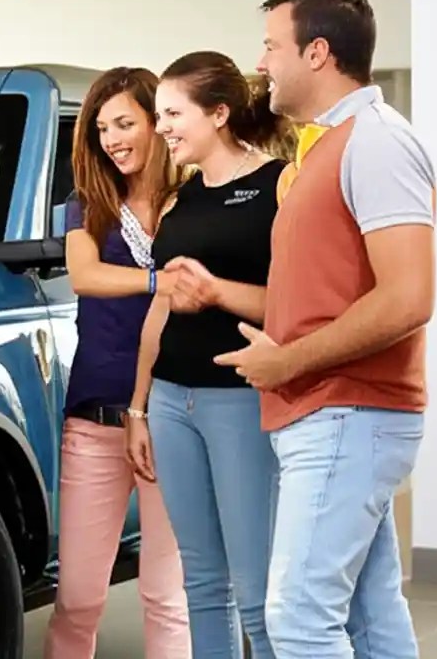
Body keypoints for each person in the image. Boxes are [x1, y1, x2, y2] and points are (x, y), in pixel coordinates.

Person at [213, 0, 435, 659]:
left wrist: (288, 360)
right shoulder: (326, 149)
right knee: (371, 619)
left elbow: (409, 296)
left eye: (271, 47)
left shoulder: (377, 142)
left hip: (348, 413)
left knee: (300, 619)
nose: (261, 64)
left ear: (317, 53)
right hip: (331, 414)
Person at [125, 50, 292, 658]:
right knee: (200, 581)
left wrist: (218, 292)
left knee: (256, 589)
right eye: (159, 114)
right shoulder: (181, 198)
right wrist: (139, 408)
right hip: (172, 402)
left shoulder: (279, 186)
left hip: (241, 402)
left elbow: (298, 306)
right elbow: (160, 310)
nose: (161, 127)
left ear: (218, 114)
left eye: (173, 114)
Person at [43, 67, 191, 659]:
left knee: (168, 597)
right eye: (102, 129)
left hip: (175, 417)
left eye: (125, 124)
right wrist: (161, 280)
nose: (112, 140)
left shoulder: (193, 202)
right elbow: (85, 276)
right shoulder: (87, 205)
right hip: (96, 420)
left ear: (157, 121)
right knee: (78, 600)